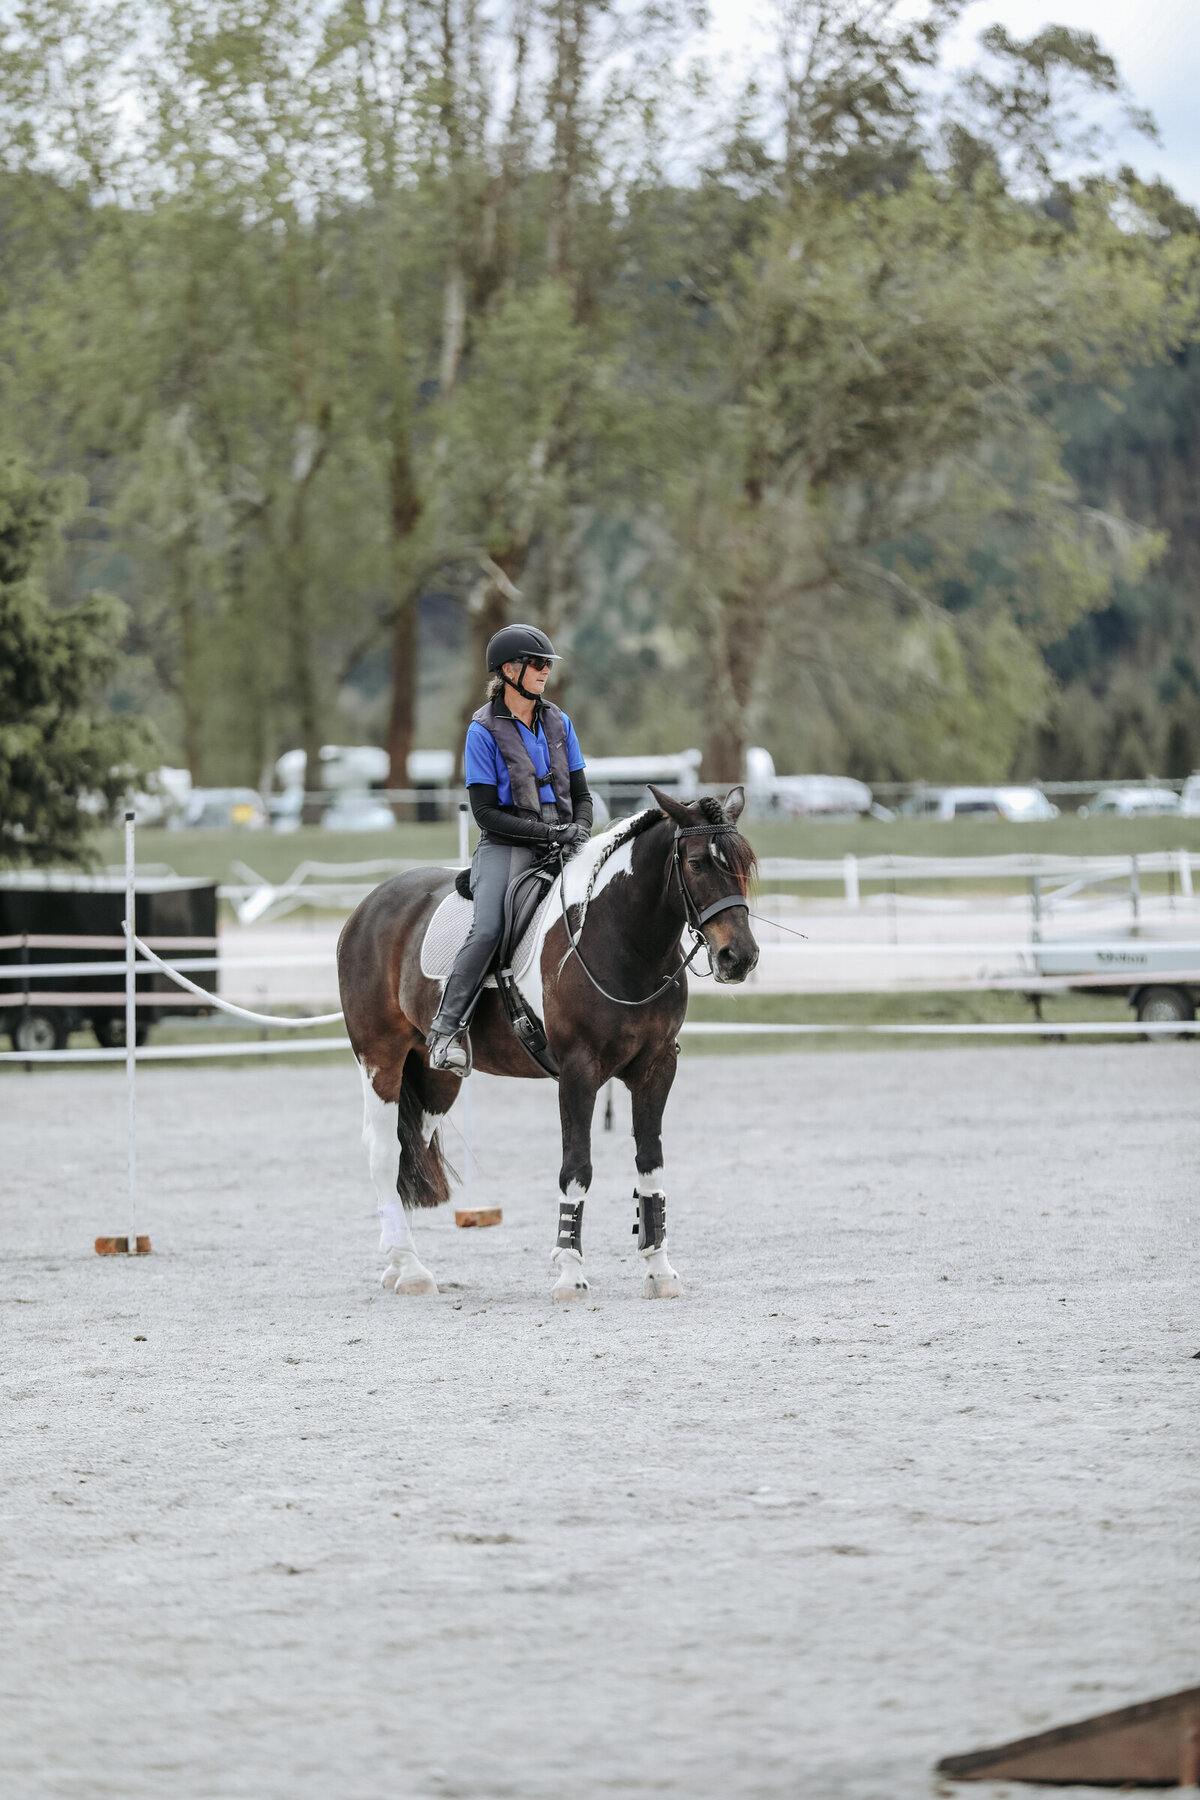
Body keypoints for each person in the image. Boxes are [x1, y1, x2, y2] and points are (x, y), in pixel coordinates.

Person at [426, 624, 593, 1073]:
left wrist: (578, 828)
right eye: (537, 664)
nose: (544, 672)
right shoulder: (482, 730)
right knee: (489, 928)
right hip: (507, 845)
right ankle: (446, 1029)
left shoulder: (561, 722)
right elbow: (485, 813)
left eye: (547, 665)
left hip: (564, 841)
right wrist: (548, 836)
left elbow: (582, 796)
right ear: (509, 670)